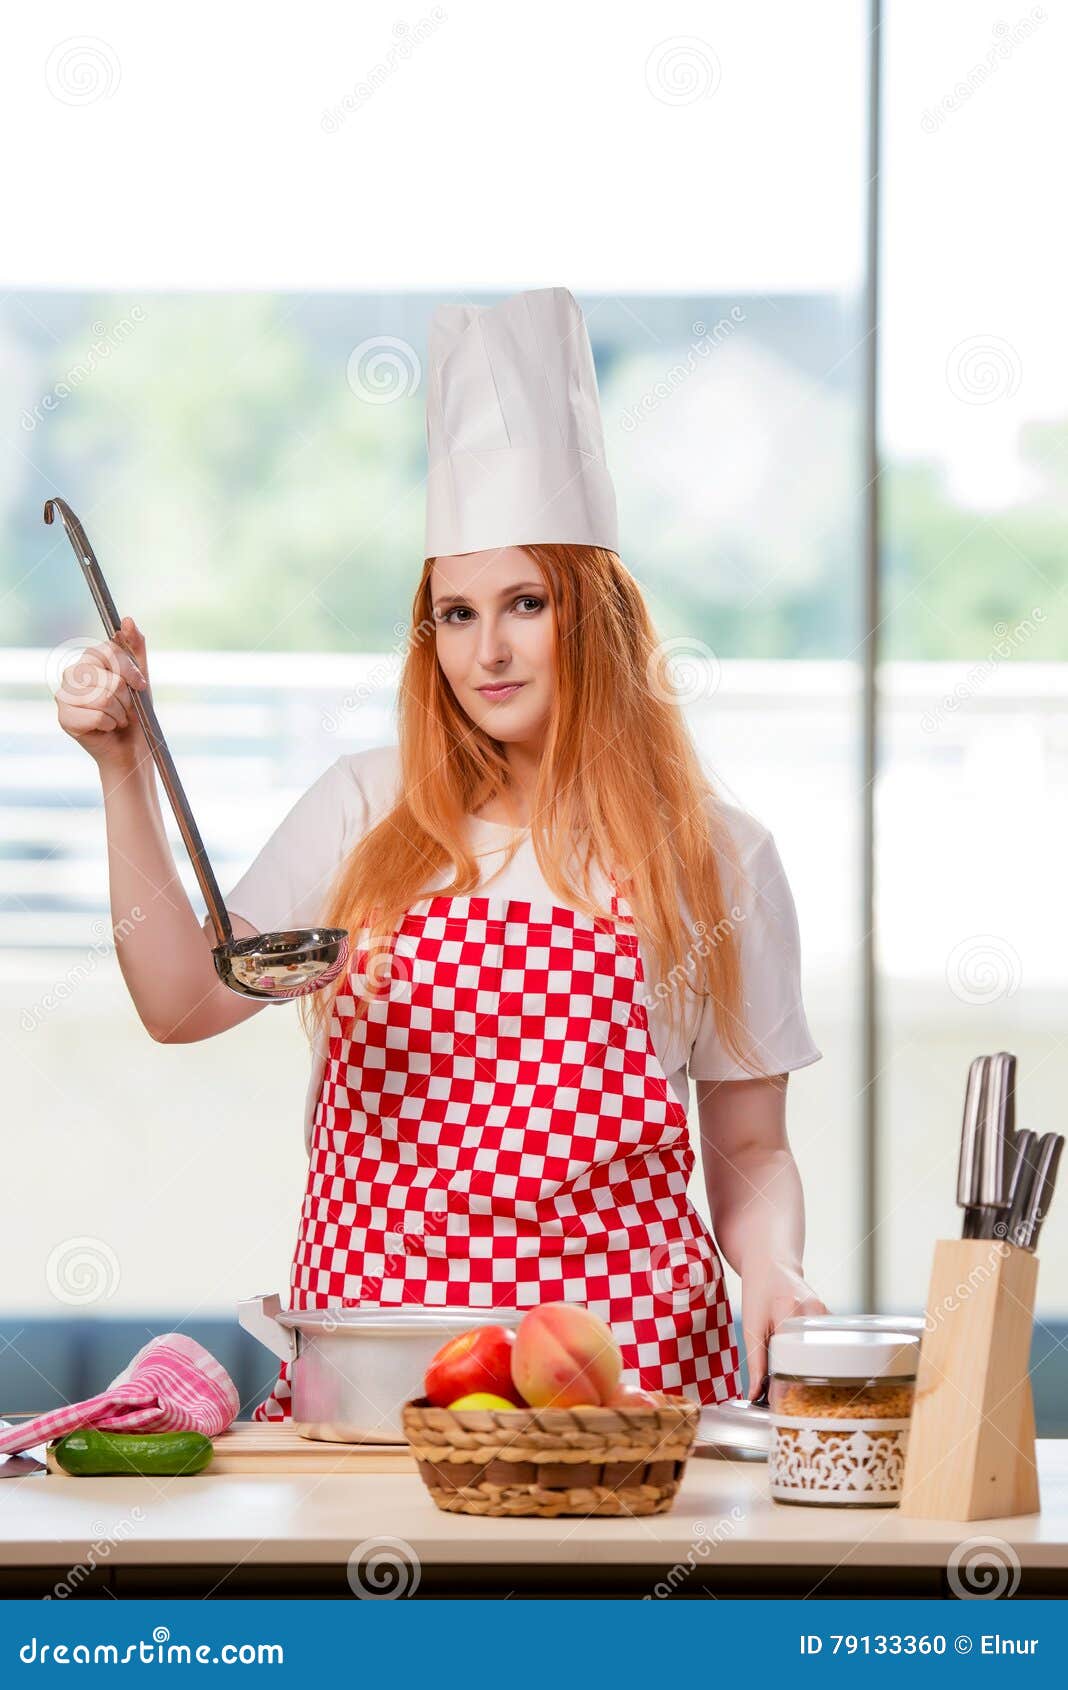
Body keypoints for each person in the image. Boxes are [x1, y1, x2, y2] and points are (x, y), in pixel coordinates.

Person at [56, 286, 826, 1415]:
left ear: (597, 617)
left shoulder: (717, 856)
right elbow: (180, 1000)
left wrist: (777, 1269)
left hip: (627, 1390)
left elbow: (751, 1150)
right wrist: (124, 768)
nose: (489, 650)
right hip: (378, 1387)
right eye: (457, 613)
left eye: (525, 602)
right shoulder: (366, 807)